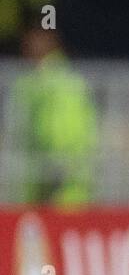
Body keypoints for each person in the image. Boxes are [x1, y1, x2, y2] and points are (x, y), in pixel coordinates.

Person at [4, 27, 97, 205]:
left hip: (62, 179)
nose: (28, 48)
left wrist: (59, 166)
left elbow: (66, 130)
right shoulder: (31, 79)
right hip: (38, 180)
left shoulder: (59, 80)